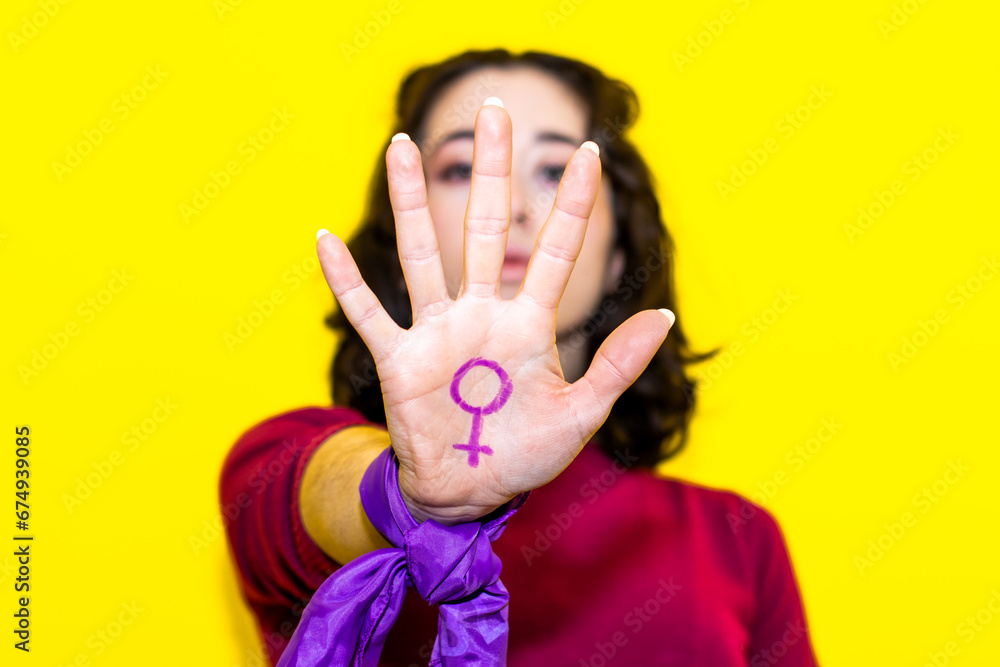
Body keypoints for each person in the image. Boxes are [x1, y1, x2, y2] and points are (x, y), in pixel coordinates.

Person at [220, 48, 819, 666]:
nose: (510, 206)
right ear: (403, 233)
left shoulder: (737, 542)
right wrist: (412, 501)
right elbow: (322, 497)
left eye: (557, 170)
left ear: (620, 250)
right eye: (461, 168)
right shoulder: (280, 462)